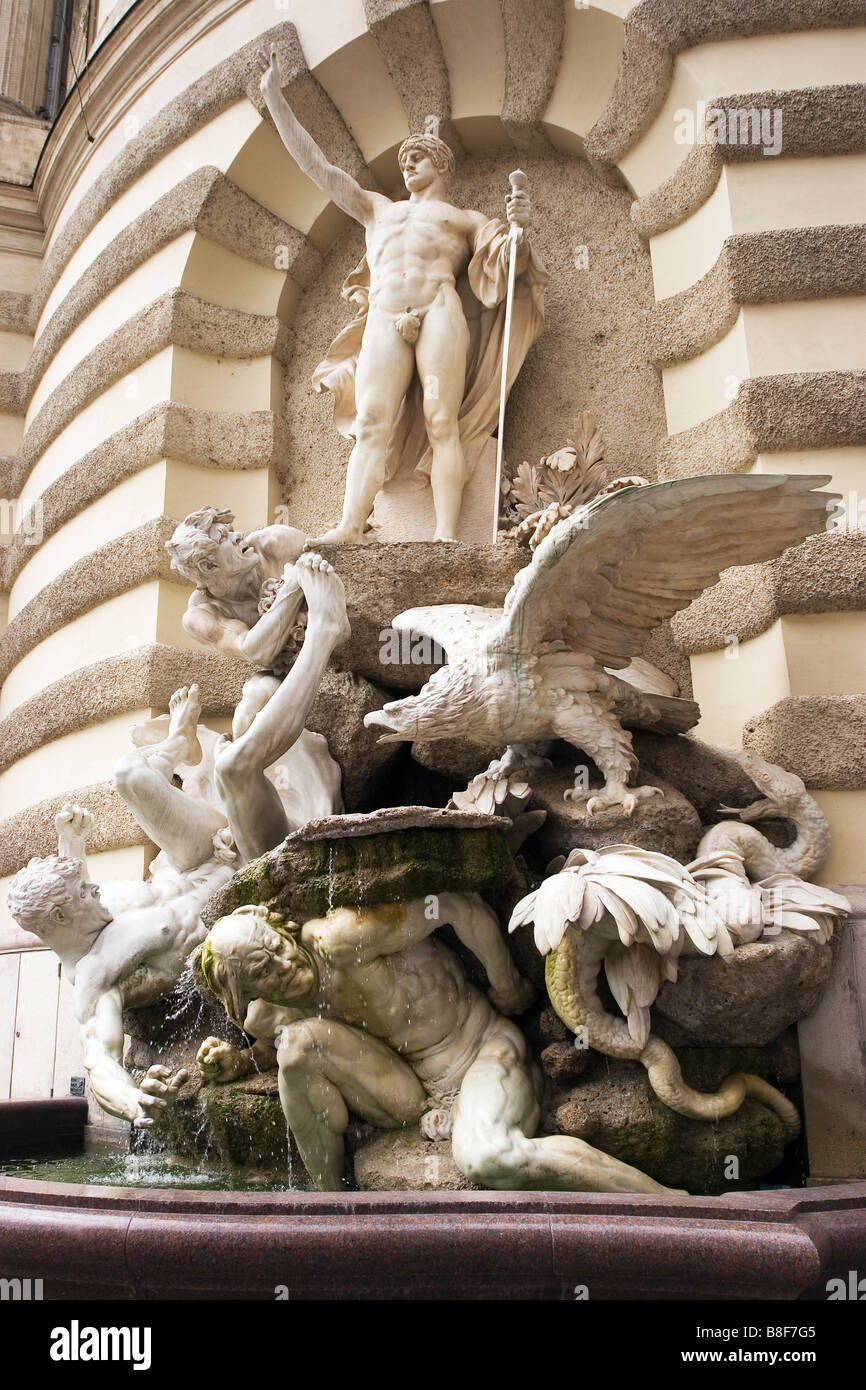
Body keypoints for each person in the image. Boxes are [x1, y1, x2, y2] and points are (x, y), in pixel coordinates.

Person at [194, 896, 677, 1195]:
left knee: (489, 1159)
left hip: (479, 1052)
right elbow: (283, 1056)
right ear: (249, 992)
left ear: (280, 929)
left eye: (277, 945)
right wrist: (237, 1060)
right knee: (296, 1046)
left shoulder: (342, 939)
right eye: (263, 972)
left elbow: (455, 906)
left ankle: (666, 1207)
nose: (284, 964)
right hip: (410, 1089)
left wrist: (504, 981)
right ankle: (330, 1206)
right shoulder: (269, 1013)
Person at [259, 49, 547, 542]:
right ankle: (350, 525)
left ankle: (445, 535)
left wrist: (518, 226)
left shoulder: (461, 218)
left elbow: (508, 261)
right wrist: (275, 102)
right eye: (404, 160)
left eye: (417, 158)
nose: (408, 166)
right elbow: (320, 170)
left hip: (439, 309)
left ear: (441, 164)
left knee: (442, 420)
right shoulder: (377, 209)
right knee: (372, 421)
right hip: (386, 314)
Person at [6, 686, 238, 1126]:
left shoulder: (101, 908)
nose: (94, 888)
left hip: (201, 851)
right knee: (133, 772)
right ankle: (178, 742)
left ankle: (178, 743)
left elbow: (79, 898)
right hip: (232, 869)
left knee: (129, 775)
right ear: (60, 917)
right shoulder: (97, 973)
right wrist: (133, 1102)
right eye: (82, 891)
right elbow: (99, 1057)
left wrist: (71, 843)